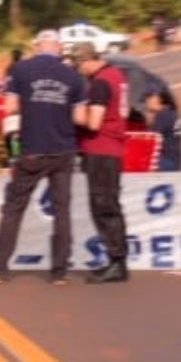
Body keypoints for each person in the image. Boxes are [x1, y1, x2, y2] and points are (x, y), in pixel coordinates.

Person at [0, 29, 85, 285]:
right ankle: (59, 272)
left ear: (37, 46)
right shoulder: (74, 77)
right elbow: (80, 118)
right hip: (63, 149)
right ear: (59, 47)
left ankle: (0, 268)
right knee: (62, 211)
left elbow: (11, 107)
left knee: (14, 207)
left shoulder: (21, 70)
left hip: (32, 148)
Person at [71, 43, 131, 284]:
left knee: (104, 205)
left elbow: (94, 122)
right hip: (113, 147)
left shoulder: (100, 83)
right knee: (109, 203)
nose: (80, 72)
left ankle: (117, 261)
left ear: (85, 61)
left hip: (101, 149)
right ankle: (115, 259)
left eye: (79, 67)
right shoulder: (117, 75)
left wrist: (77, 113)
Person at [145, 88, 181, 172]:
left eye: (150, 98)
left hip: (164, 162)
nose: (147, 101)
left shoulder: (163, 115)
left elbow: (149, 138)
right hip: (175, 160)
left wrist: (150, 119)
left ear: (160, 100)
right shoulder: (173, 113)